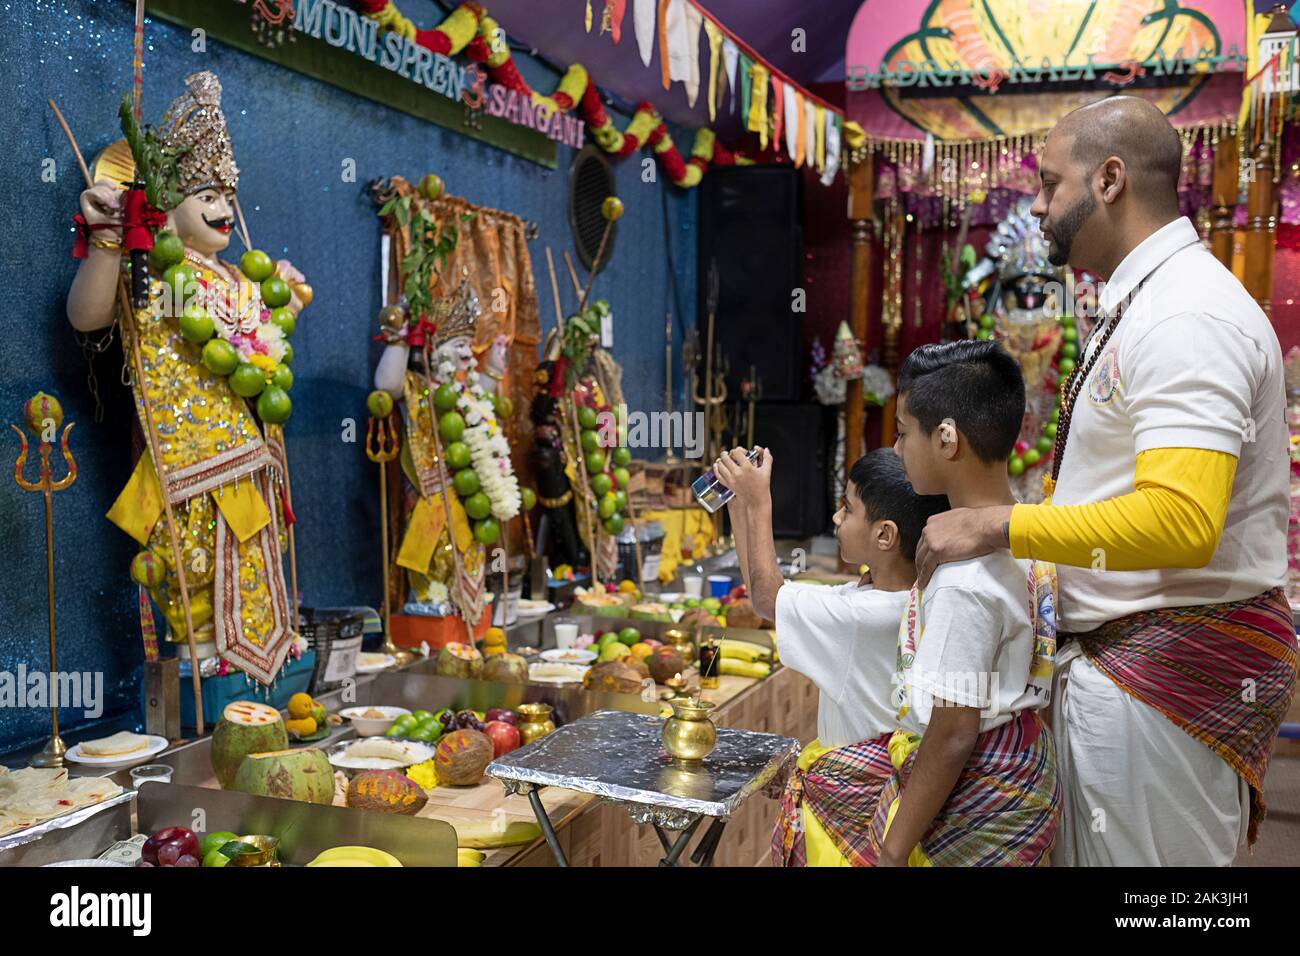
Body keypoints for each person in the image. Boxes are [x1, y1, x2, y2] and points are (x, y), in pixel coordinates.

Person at [912, 96, 1298, 866]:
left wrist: (998, 525)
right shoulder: (1150, 304)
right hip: (1135, 675)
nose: (1041, 206)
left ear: (1110, 179)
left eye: (1052, 183)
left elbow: (1179, 522)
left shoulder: (1186, 316)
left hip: (1158, 683)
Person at [713, 447, 947, 866]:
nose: (837, 518)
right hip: (884, 805)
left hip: (852, 816)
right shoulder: (901, 595)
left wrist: (760, 501)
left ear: (884, 535)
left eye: (848, 508)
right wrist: (739, 502)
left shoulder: (863, 616)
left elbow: (767, 599)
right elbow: (768, 594)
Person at [875, 340, 1060, 866]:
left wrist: (891, 853)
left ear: (947, 438)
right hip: (1020, 768)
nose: (895, 448)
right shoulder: (1024, 528)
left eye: (904, 431)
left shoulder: (965, 580)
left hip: (978, 792)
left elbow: (954, 733)